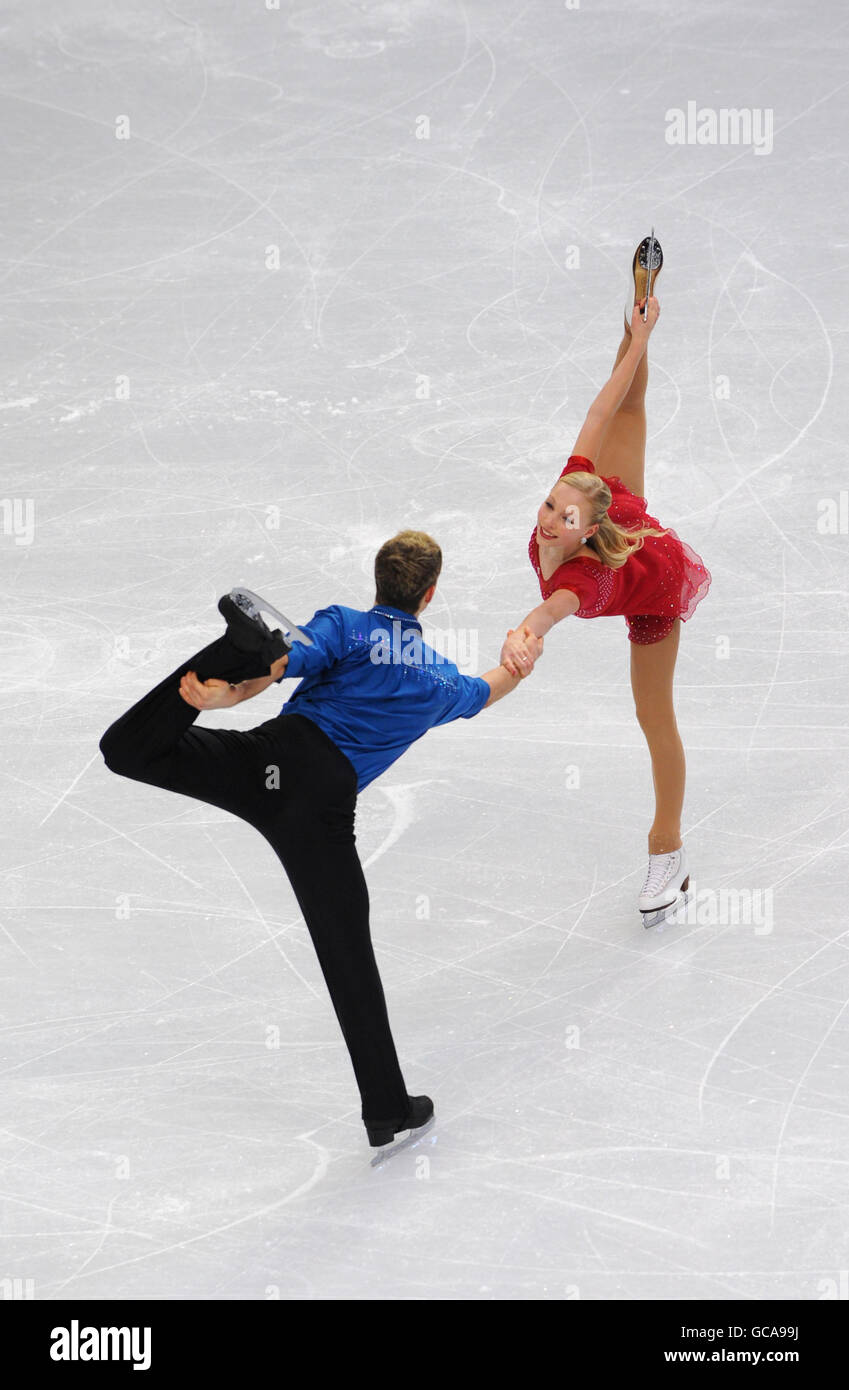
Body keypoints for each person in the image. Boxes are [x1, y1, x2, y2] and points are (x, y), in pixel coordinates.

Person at [98, 532, 542, 1150]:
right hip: (323, 812)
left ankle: (221, 651)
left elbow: (277, 664)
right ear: (430, 594)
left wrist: (221, 691)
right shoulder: (436, 680)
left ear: (378, 579)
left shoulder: (347, 626)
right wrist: (519, 660)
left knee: (126, 749)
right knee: (348, 956)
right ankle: (386, 1108)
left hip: (268, 764)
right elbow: (488, 689)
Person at [500, 236, 711, 928]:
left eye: (560, 517)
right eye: (547, 504)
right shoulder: (583, 497)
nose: (546, 519)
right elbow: (600, 408)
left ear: (586, 529)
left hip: (654, 584)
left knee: (654, 717)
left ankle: (666, 847)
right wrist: (638, 334)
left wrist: (524, 634)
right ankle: (639, 306)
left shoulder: (585, 576)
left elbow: (555, 610)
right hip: (618, 506)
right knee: (626, 408)